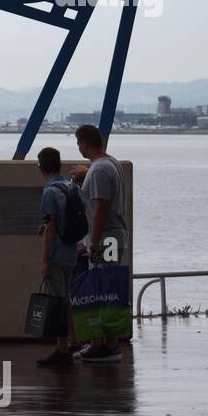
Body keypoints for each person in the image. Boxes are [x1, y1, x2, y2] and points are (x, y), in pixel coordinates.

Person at [73, 124, 128, 362]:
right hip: (114, 236)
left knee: (102, 289)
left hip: (105, 237)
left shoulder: (97, 170)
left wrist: (93, 243)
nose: (78, 147)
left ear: (85, 143)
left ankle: (104, 346)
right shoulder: (111, 163)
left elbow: (101, 208)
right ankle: (110, 343)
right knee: (110, 288)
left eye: (79, 143)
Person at [35, 147, 80, 367]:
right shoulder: (71, 187)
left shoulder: (50, 192)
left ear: (41, 167)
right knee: (65, 299)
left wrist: (44, 259)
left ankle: (62, 349)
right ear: (59, 165)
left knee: (58, 303)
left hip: (56, 253)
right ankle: (72, 340)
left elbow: (51, 226)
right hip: (71, 251)